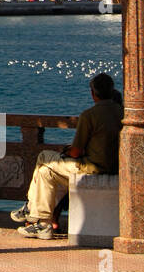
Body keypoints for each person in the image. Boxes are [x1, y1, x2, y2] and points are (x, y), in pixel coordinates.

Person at [11, 72, 123, 239]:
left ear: (93, 94)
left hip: (92, 169)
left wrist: (68, 152)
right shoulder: (122, 113)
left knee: (43, 158)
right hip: (114, 167)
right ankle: (41, 223)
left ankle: (34, 211)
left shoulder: (89, 115)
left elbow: (76, 152)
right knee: (44, 172)